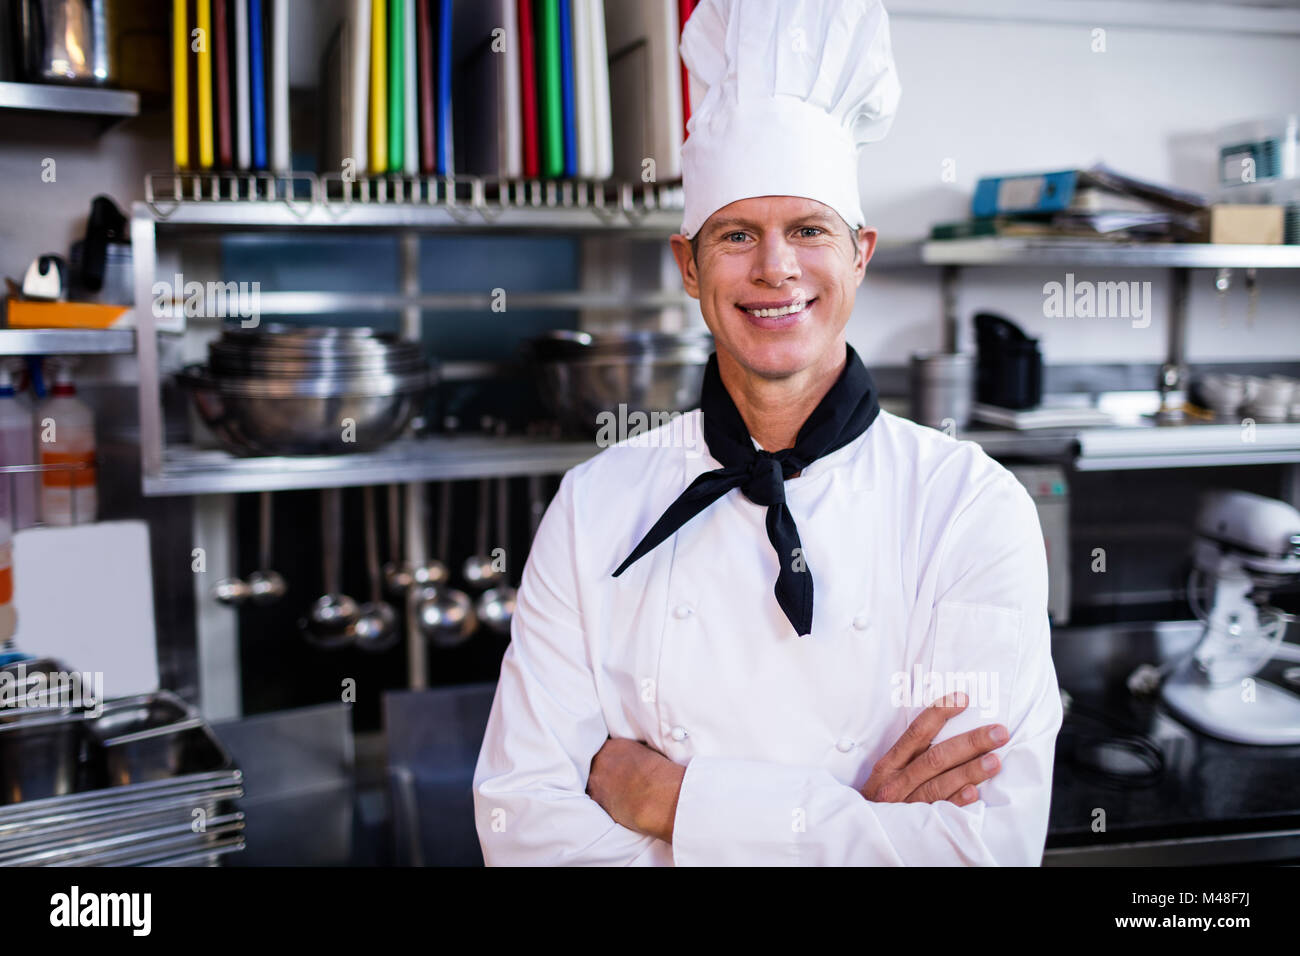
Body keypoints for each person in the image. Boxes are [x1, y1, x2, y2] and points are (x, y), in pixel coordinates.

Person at [472, 0, 1062, 865]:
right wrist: (856, 823)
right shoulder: (595, 503)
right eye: (738, 234)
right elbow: (520, 829)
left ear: (859, 252)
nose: (775, 268)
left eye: (808, 230)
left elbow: (980, 852)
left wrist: (670, 801)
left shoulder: (970, 509)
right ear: (689, 266)